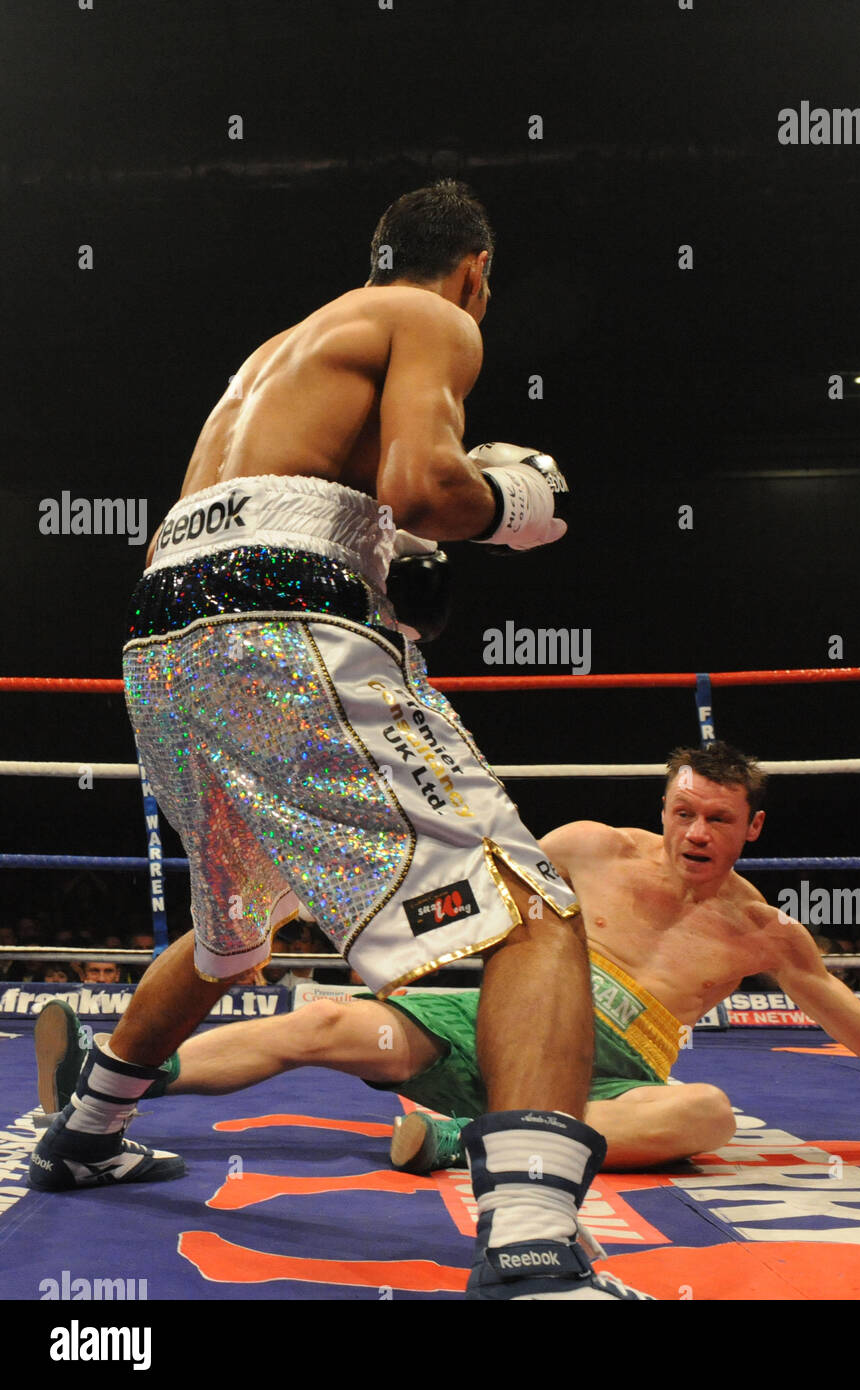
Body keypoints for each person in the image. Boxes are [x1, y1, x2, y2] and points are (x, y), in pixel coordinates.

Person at [29, 181, 643, 1302]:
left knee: (232, 933)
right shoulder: (435, 320)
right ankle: (530, 1246)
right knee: (532, 907)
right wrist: (511, 500)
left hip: (164, 645)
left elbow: (347, 511)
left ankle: (85, 1131)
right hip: (277, 623)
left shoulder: (281, 356)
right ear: (475, 271)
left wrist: (413, 537)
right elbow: (422, 485)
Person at [38, 744, 860, 1177]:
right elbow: (473, 884)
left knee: (702, 1114)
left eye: (715, 817)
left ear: (750, 826)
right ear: (660, 806)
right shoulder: (583, 847)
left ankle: (450, 1140)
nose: (692, 831)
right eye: (680, 810)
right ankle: (121, 1078)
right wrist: (375, 930)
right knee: (323, 1024)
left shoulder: (765, 934)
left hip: (614, 1076)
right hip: (498, 1016)